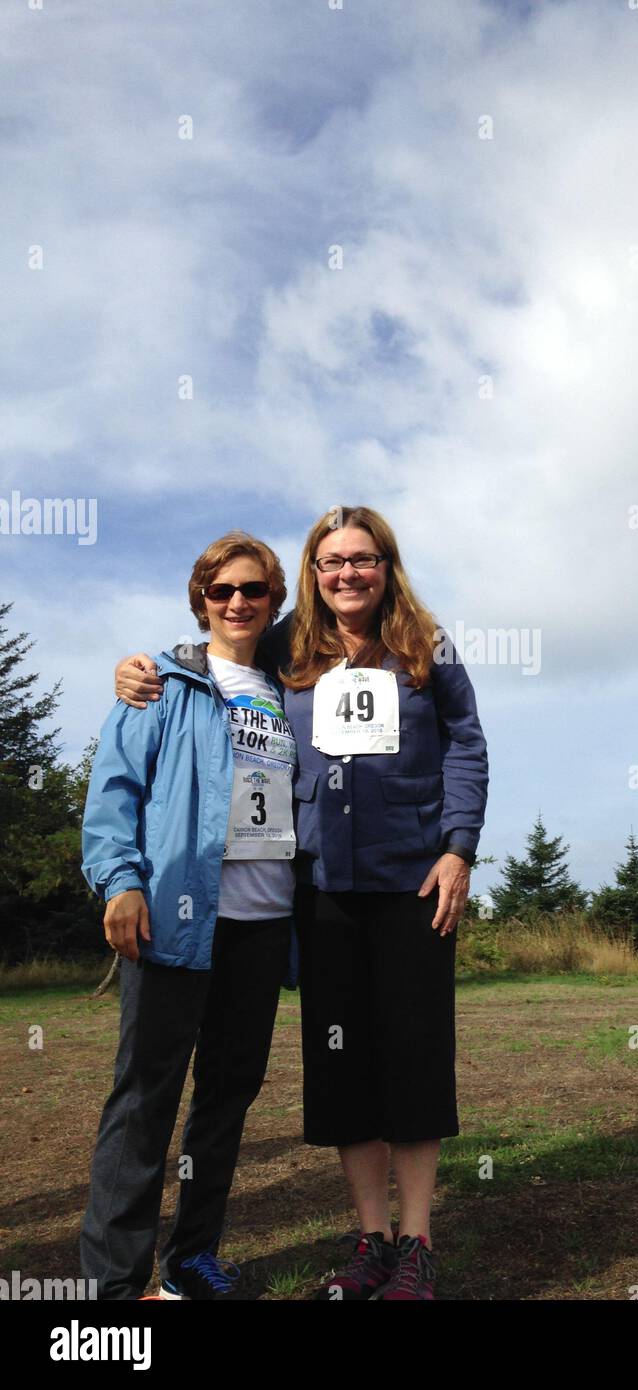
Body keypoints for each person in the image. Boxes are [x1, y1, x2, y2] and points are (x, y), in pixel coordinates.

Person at [115, 505, 488, 1301]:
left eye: (363, 559)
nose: (347, 573)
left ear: (388, 565)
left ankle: (416, 1244)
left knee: (415, 1062)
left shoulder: (429, 645)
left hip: (413, 885)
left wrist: (459, 846)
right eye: (331, 561)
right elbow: (220, 650)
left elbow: (467, 742)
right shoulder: (291, 645)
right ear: (314, 576)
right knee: (343, 1068)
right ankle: (369, 1241)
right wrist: (139, 669)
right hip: (318, 891)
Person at [82, 532, 297, 1300]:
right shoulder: (159, 685)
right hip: (172, 921)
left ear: (274, 603)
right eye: (221, 591)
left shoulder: (291, 689)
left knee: (226, 1100)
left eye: (254, 591)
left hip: (263, 929)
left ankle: (193, 1259)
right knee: (143, 1103)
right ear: (201, 599)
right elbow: (114, 793)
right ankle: (116, 1287)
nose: (237, 603)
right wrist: (119, 883)